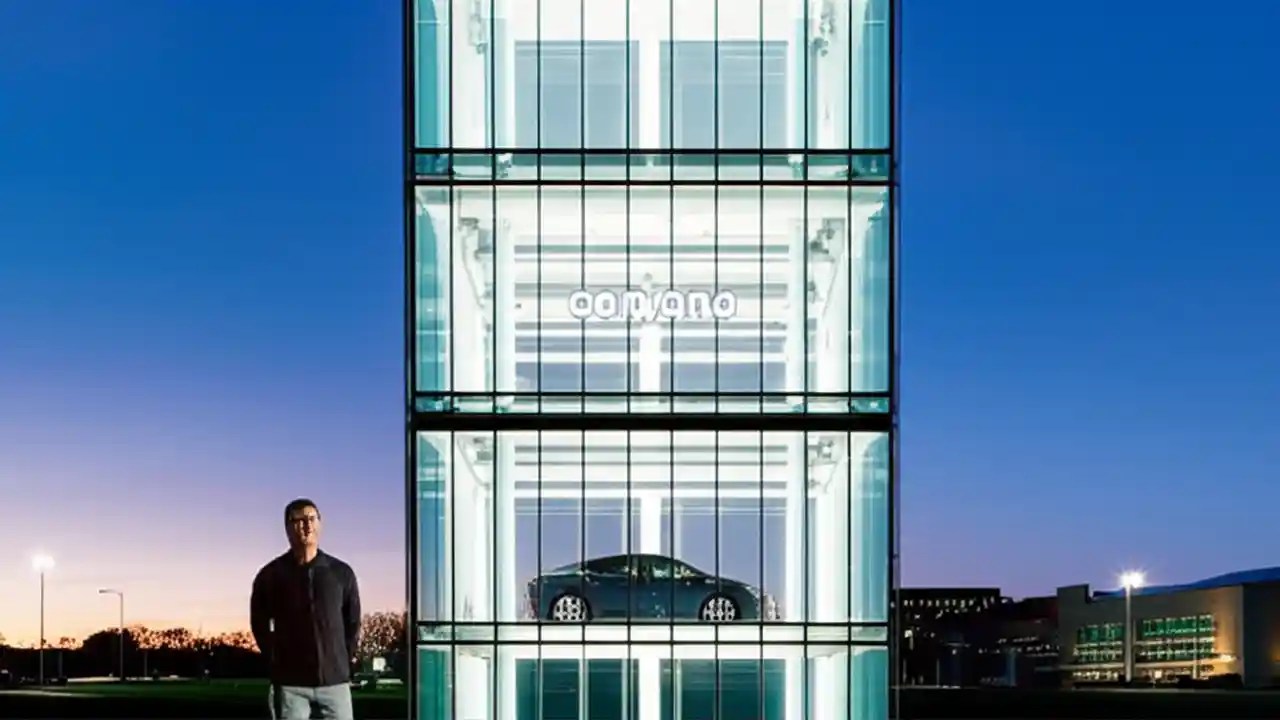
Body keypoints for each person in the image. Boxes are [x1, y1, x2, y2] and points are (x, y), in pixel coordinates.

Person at [251, 498, 361, 719]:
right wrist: (277, 659)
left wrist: (340, 660)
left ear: (320, 523)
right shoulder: (271, 575)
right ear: (288, 527)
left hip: (335, 682)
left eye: (312, 518)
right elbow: (259, 624)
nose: (307, 525)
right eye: (299, 520)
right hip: (291, 685)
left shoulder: (341, 573)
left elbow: (353, 623)